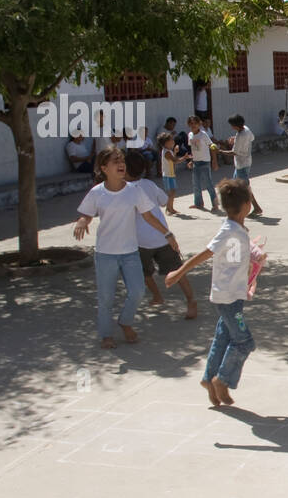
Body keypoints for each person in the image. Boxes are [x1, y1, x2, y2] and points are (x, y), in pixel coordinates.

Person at [74, 147, 179, 349]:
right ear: (104, 168)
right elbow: (86, 214)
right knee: (105, 297)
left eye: (122, 160)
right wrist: (82, 221)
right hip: (105, 254)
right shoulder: (97, 193)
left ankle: (125, 321)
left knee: (138, 291)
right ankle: (106, 334)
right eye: (115, 161)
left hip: (130, 252)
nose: (121, 164)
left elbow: (148, 216)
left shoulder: (134, 191)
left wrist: (167, 233)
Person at [165, 179, 256, 405]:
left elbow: (237, 259)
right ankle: (222, 380)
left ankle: (208, 379)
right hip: (228, 299)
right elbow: (206, 253)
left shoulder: (237, 230)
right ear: (246, 205)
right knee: (244, 342)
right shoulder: (228, 232)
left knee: (223, 336)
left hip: (233, 296)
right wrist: (179, 272)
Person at [124, 151, 197, 318]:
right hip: (163, 237)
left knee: (144, 273)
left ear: (125, 170)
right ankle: (191, 301)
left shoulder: (125, 190)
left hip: (141, 242)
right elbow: (164, 200)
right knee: (177, 272)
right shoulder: (149, 184)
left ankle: (157, 296)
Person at [224, 114, 263, 217]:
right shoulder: (246, 129)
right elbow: (252, 138)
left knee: (244, 189)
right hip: (245, 163)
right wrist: (237, 140)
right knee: (234, 186)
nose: (231, 127)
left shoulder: (241, 136)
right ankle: (235, 206)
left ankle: (256, 207)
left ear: (235, 125)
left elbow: (234, 152)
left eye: (232, 125)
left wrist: (220, 151)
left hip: (241, 164)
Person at [185, 115, 218, 211]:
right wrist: (191, 161)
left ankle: (215, 204)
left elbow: (211, 145)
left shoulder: (203, 134)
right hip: (196, 162)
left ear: (199, 124)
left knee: (208, 184)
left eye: (195, 123)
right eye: (191, 124)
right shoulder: (190, 135)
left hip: (204, 162)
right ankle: (198, 203)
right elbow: (193, 149)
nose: (193, 125)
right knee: (196, 184)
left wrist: (214, 161)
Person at [158, 132, 184, 215]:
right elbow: (175, 161)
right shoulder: (167, 152)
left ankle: (170, 208)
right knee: (171, 193)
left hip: (170, 174)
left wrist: (175, 152)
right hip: (168, 175)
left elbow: (173, 159)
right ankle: (169, 208)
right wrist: (185, 157)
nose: (173, 141)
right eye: (171, 140)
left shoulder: (169, 151)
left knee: (172, 192)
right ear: (165, 143)